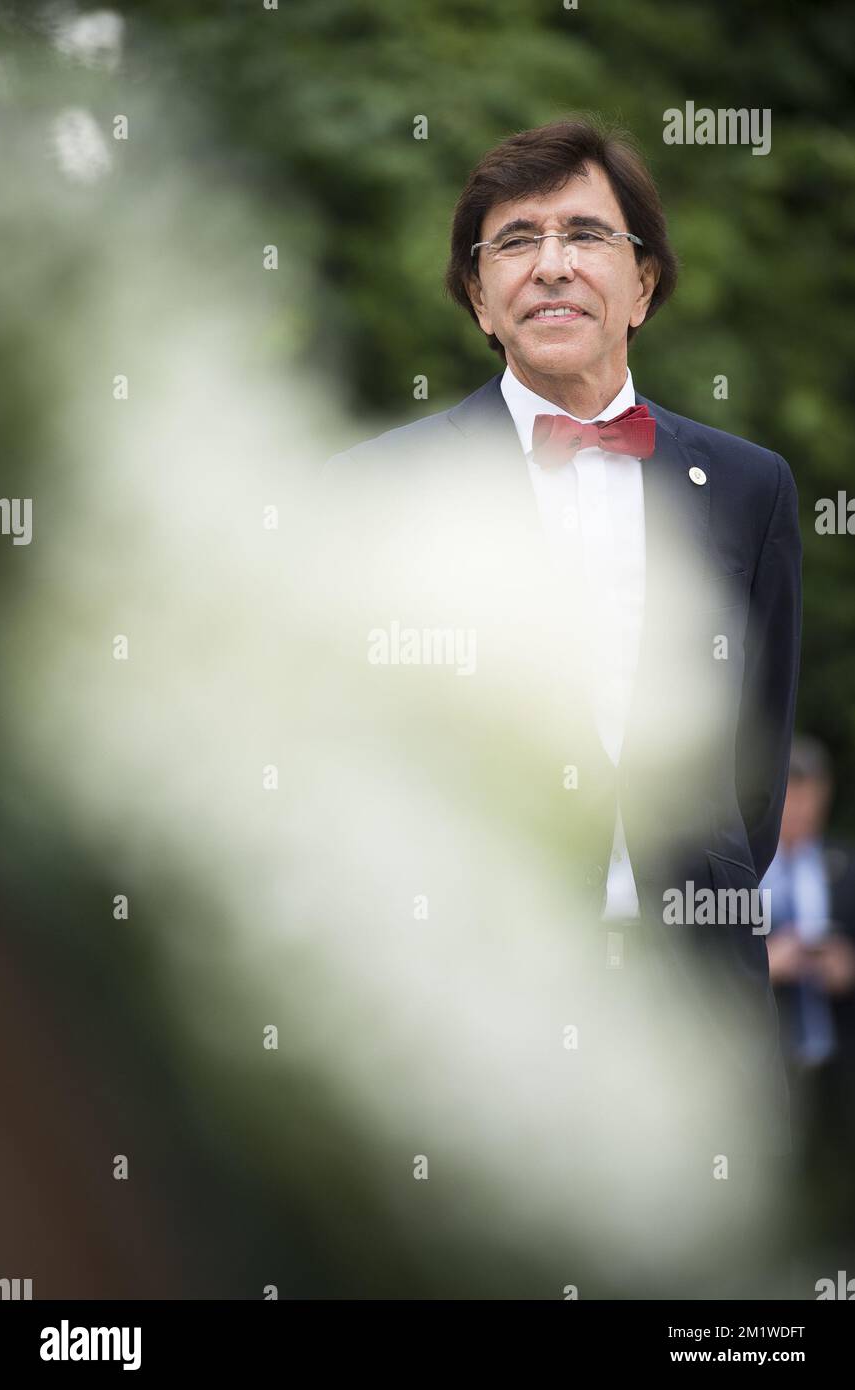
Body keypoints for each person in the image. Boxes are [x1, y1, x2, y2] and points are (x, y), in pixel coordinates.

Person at [326, 117, 802, 1174]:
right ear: (478, 297)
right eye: (514, 240)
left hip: (692, 1011)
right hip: (461, 1018)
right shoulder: (382, 490)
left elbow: (752, 768)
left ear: (641, 285)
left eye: (587, 234)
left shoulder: (749, 485)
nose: (551, 265)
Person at [763, 737, 855, 1256]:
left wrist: (846, 966)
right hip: (766, 1067)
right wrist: (765, 964)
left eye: (810, 797)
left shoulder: (847, 865)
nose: (800, 811)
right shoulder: (738, 876)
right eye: (790, 796)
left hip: (837, 1066)